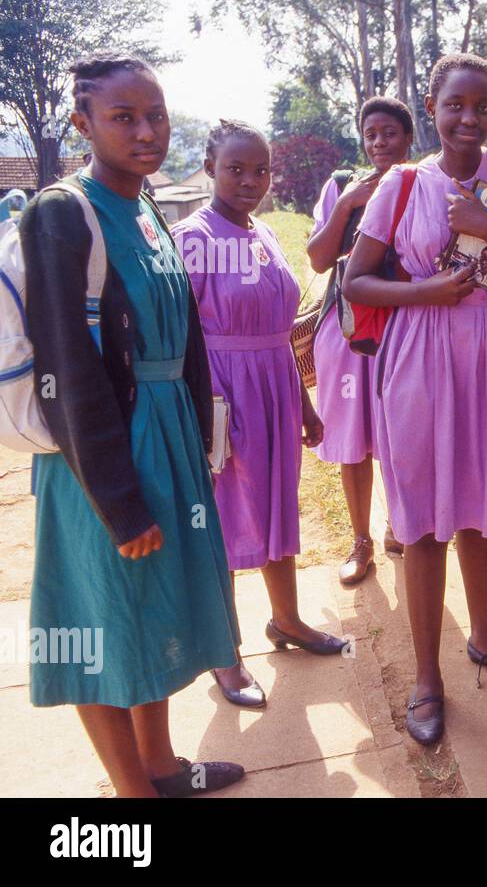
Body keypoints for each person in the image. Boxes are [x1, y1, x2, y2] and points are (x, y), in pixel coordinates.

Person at [22, 54, 243, 796]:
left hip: (168, 433)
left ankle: (162, 766)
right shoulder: (61, 211)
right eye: (123, 118)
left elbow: (183, 335)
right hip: (103, 449)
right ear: (83, 125)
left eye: (155, 115)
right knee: (98, 624)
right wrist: (116, 500)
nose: (146, 131)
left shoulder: (148, 205)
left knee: (158, 605)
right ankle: (133, 797)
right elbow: (67, 363)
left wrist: (204, 435)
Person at [342, 53, 487, 745]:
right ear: (431, 105)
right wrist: (423, 292)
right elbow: (355, 282)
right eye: (455, 105)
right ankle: (427, 678)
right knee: (425, 522)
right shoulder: (403, 183)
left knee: (486, 513)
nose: (469, 118)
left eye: (481, 105)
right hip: (420, 361)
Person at [175, 120, 346, 709]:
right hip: (223, 394)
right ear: (209, 169)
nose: (251, 181)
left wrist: (303, 400)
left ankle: (288, 620)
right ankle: (224, 653)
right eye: (236, 169)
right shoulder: (190, 238)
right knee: (222, 520)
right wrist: (202, 411)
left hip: (274, 385)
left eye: (261, 170)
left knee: (276, 504)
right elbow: (181, 337)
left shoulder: (266, 234)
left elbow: (280, 332)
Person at [306, 97, 416, 585]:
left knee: (403, 433)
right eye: (370, 134)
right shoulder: (339, 187)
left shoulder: (422, 183)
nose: (379, 143)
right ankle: (360, 540)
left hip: (404, 326)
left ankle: (399, 524)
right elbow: (316, 258)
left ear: (408, 138)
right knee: (351, 438)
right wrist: (349, 203)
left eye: (389, 133)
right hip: (347, 329)